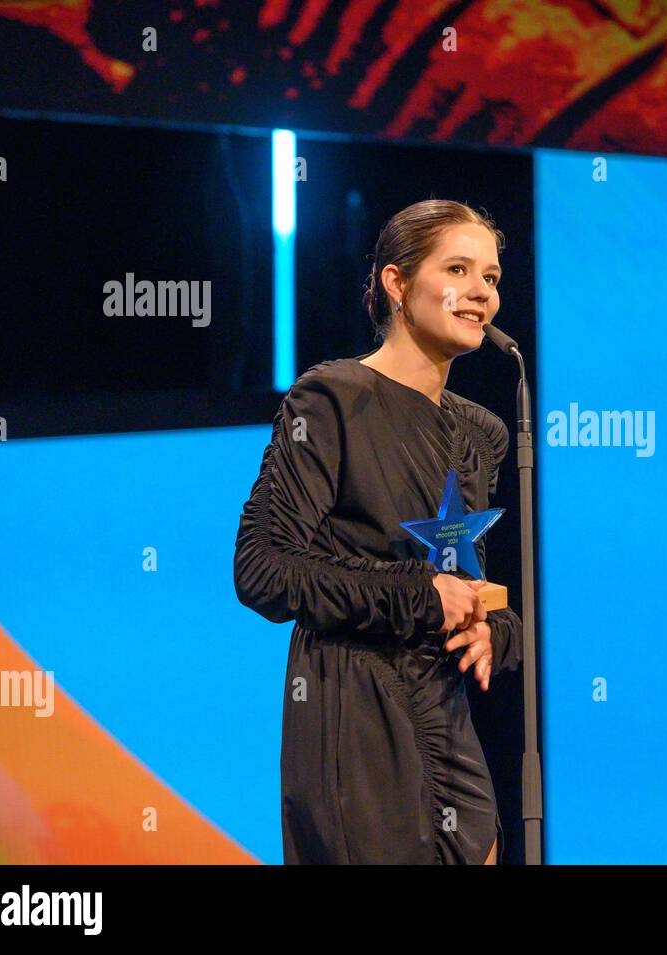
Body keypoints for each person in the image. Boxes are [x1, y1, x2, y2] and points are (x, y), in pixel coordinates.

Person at [233, 199, 523, 864]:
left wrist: (494, 630)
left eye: (491, 276)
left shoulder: (481, 433)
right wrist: (419, 594)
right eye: (458, 269)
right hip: (355, 719)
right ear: (397, 282)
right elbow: (263, 567)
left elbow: (471, 583)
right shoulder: (331, 398)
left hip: (447, 719)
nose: (482, 291)